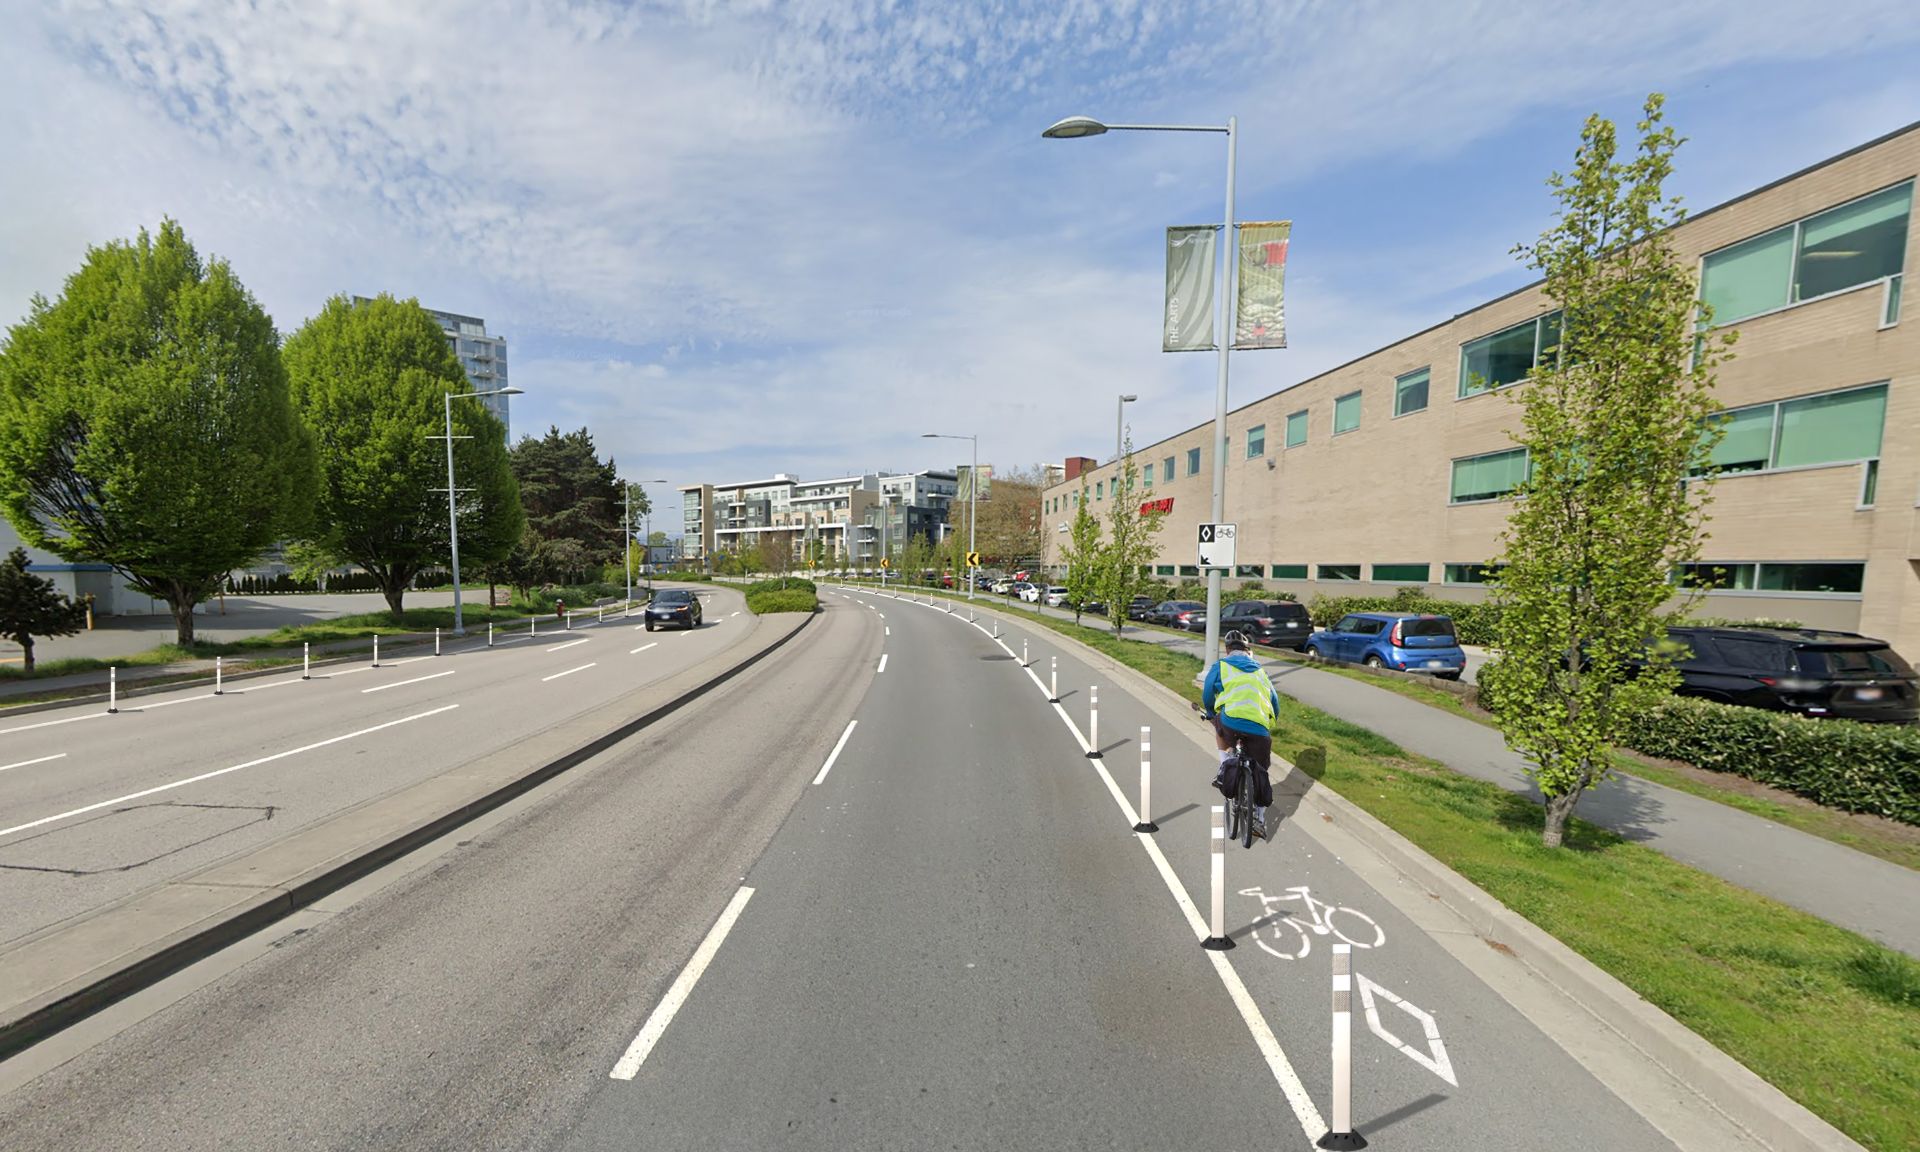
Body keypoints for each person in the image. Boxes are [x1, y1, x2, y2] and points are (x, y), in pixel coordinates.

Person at [1200, 629, 1281, 841]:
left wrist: (1210, 712)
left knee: (1217, 724)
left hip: (1231, 720)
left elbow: (1208, 691)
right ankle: (1259, 818)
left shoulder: (1221, 666)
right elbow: (1275, 702)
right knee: (1261, 769)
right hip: (1259, 728)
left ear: (1227, 649)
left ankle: (1223, 768)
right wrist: (1270, 722)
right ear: (1247, 650)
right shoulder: (1261, 672)